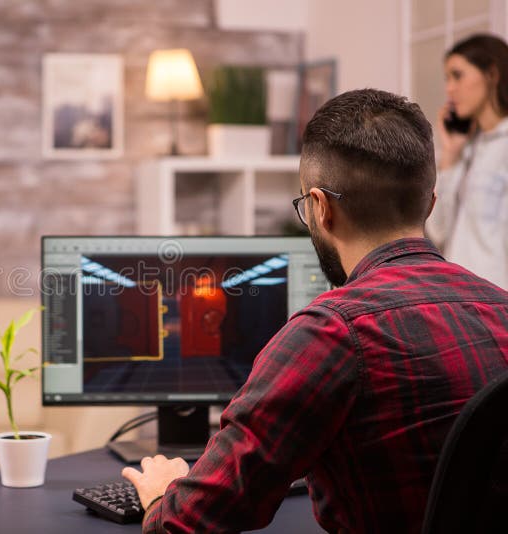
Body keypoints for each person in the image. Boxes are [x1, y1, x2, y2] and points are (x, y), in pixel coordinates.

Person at [121, 89, 508, 533]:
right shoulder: (501, 307)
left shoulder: (332, 334)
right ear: (430, 203)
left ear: (321, 208)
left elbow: (189, 523)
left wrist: (159, 497)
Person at [425, 33, 508, 289]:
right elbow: (437, 232)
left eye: (457, 76)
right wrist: (450, 154)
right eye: (447, 79)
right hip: (459, 303)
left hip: (497, 309)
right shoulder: (468, 150)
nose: (450, 89)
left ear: (491, 74)